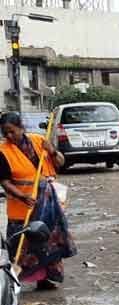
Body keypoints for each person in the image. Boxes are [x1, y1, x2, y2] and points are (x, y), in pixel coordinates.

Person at [0, 112, 76, 289]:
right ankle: (15, 281)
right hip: (23, 205)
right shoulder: (3, 152)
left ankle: (46, 279)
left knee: (48, 241)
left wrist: (52, 151)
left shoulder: (39, 141)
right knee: (22, 244)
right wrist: (22, 196)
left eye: (12, 131)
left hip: (48, 204)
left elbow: (60, 163)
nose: (9, 136)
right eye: (5, 132)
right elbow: (4, 182)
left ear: (21, 127)